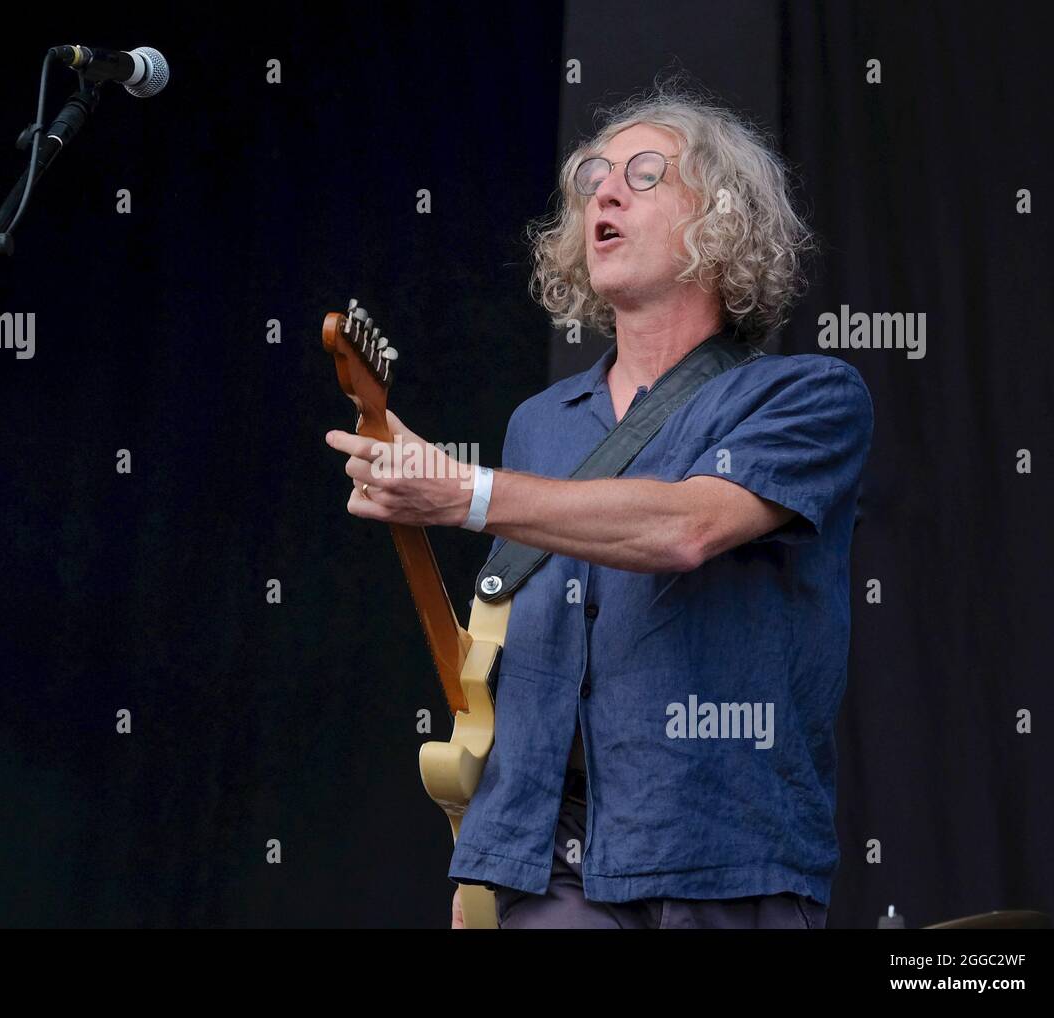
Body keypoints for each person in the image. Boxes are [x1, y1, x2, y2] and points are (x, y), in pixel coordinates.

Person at [325, 83, 873, 929]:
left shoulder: (809, 395)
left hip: (727, 848)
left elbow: (688, 527)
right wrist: (493, 844)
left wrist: (463, 491)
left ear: (721, 220)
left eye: (646, 174)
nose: (604, 193)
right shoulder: (541, 425)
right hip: (552, 858)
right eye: (592, 179)